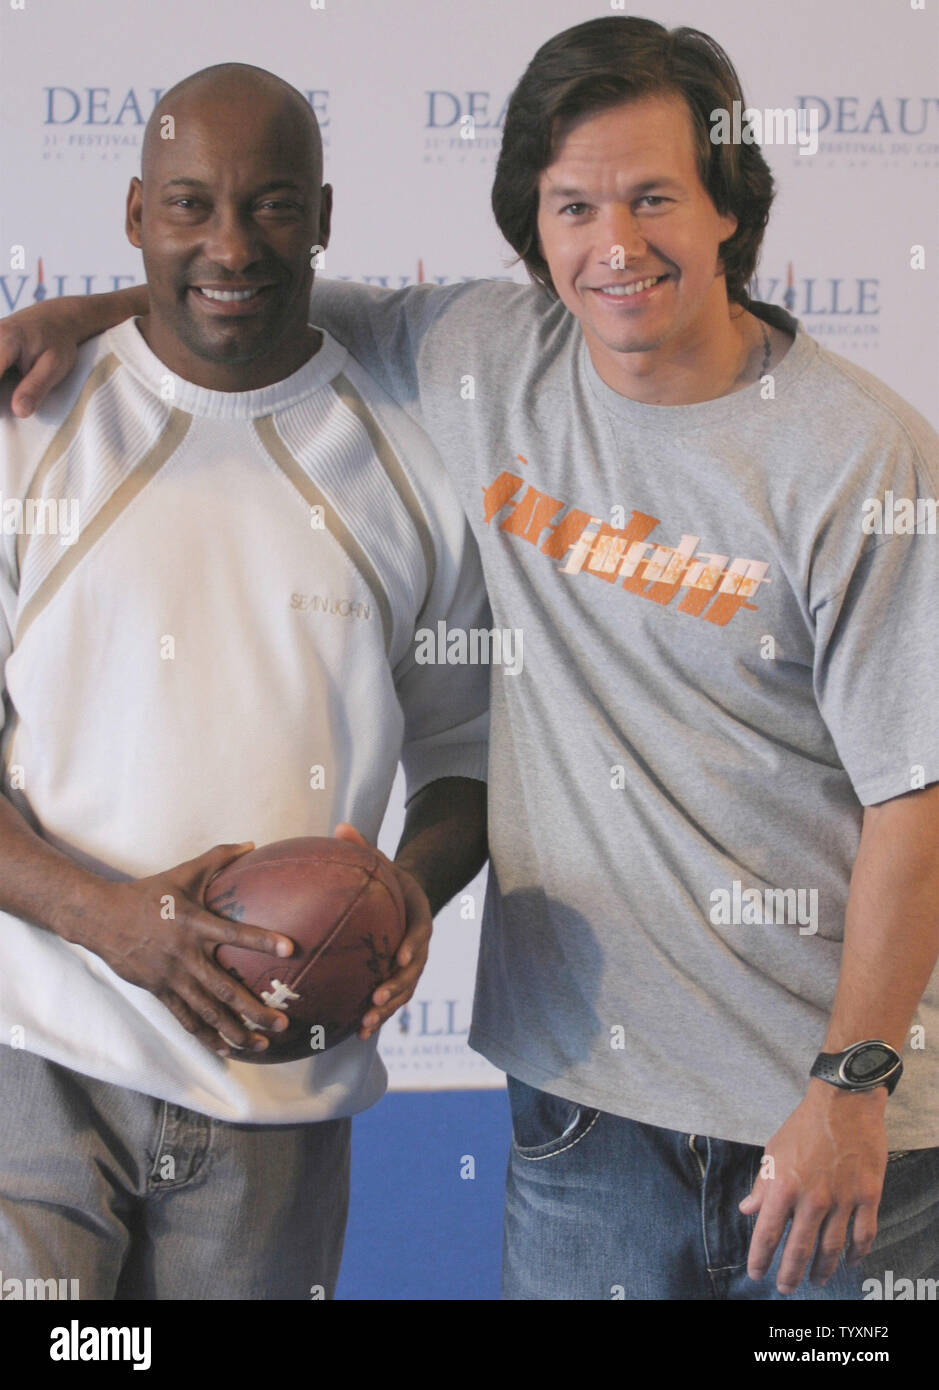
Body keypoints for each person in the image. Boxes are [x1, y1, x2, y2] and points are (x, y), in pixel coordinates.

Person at [3, 17, 937, 1302]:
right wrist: (82, 309)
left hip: (828, 1126)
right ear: (532, 227)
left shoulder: (861, 456)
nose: (615, 243)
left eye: (655, 196)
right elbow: (243, 298)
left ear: (729, 205)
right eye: (573, 206)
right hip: (583, 1110)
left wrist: (854, 1086)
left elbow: (917, 794)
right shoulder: (487, 359)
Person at [0, 63, 489, 1300]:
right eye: (189, 206)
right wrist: (104, 918)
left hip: (281, 1081)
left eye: (272, 205)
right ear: (132, 215)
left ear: (324, 218)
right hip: (32, 1057)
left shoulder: (412, 462)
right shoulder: (29, 427)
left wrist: (407, 889)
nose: (230, 243)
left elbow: (473, 756)